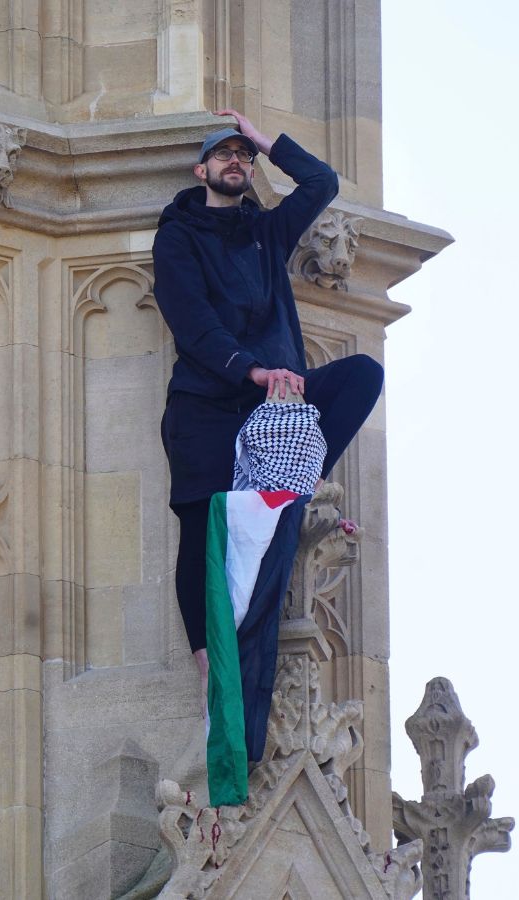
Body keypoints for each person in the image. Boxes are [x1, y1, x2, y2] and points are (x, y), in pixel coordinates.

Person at [152, 111, 383, 683]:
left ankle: (301, 486)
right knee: (202, 525)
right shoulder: (177, 235)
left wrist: (266, 141)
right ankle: (210, 662)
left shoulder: (265, 231)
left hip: (272, 407)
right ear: (200, 168)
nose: (237, 161)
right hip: (207, 405)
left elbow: (322, 183)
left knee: (360, 375)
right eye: (225, 153)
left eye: (244, 156)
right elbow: (193, 322)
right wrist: (251, 370)